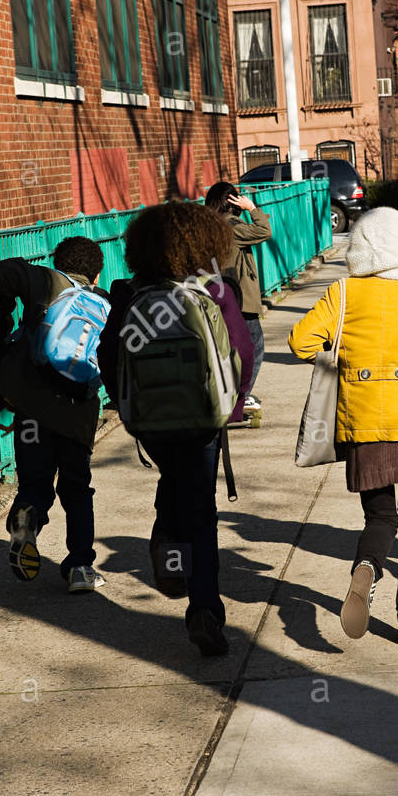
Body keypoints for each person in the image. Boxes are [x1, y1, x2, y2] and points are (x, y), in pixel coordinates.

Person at [288, 207, 398, 645]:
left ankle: (366, 567)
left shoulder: (343, 294)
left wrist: (344, 354)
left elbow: (300, 343)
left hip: (362, 426)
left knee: (379, 516)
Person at [97, 203, 253, 658]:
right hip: (203, 418)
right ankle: (204, 607)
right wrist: (234, 405)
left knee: (173, 480)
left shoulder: (126, 293)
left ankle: (167, 545)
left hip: (151, 418)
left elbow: (109, 354)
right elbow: (241, 351)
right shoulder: (215, 290)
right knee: (201, 511)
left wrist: (127, 404)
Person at [0, 237, 109, 593]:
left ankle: (28, 516)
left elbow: (6, 270)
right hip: (77, 411)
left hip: (33, 406)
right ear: (96, 273)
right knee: (77, 487)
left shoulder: (45, 282)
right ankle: (80, 567)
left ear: (58, 262)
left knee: (34, 482)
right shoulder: (103, 302)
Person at [204, 181, 271, 409]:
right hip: (241, 298)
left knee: (229, 348)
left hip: (220, 294)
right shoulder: (231, 226)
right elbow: (264, 231)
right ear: (231, 201)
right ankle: (241, 397)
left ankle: (231, 395)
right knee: (253, 347)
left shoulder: (211, 226)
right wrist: (252, 208)